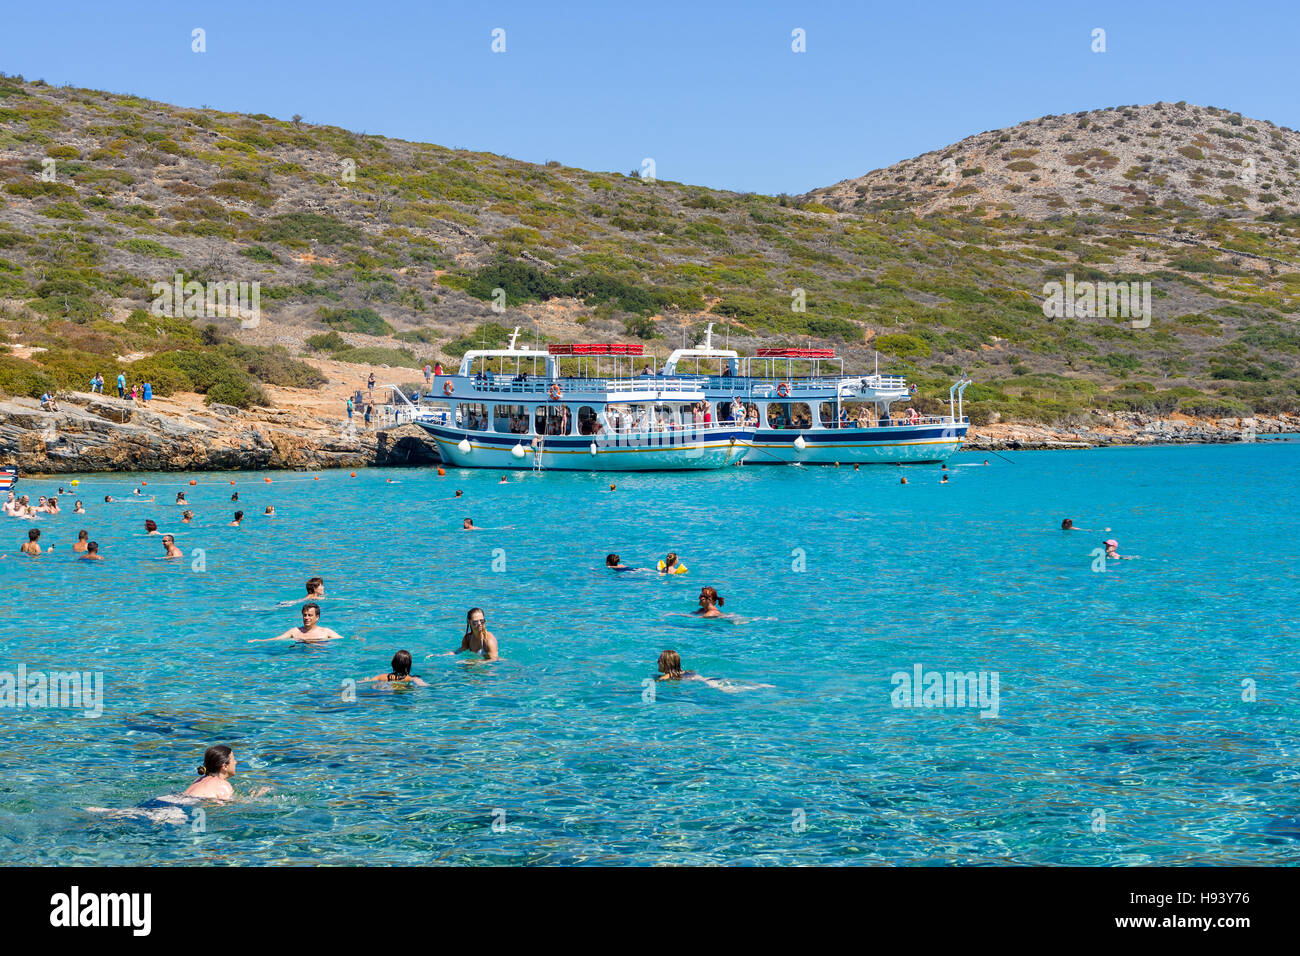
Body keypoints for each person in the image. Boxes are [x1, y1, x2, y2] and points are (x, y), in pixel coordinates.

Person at [249, 602, 344, 644]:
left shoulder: (326, 632)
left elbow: (343, 641)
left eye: (310, 615)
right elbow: (277, 639)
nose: (306, 618)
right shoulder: (295, 631)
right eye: (305, 615)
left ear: (317, 617)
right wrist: (259, 641)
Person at [363, 650, 429, 687]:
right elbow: (423, 685)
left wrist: (366, 680)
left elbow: (364, 682)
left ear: (393, 664)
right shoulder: (412, 678)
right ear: (409, 665)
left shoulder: (381, 676)